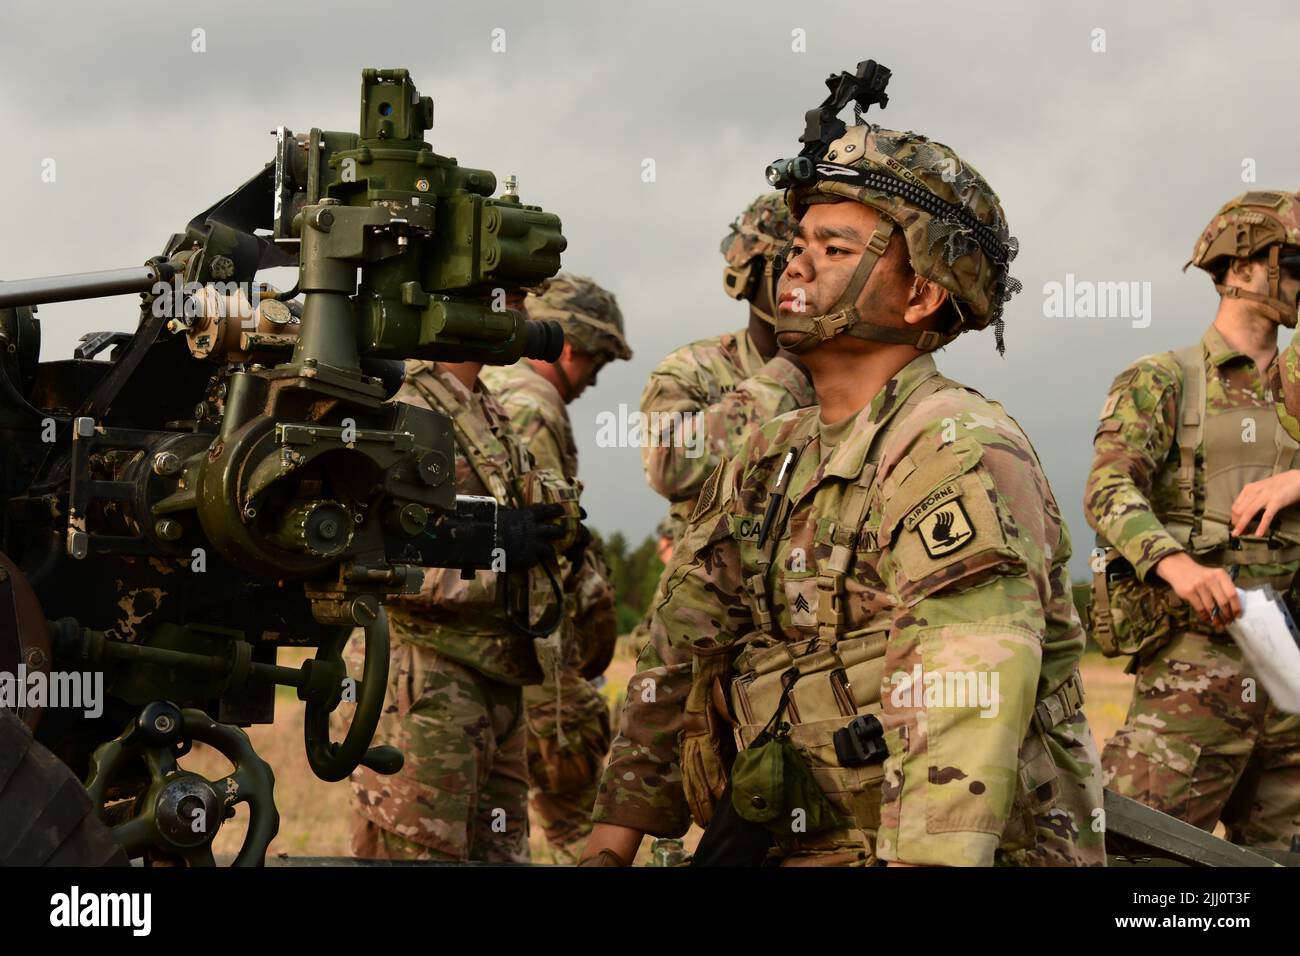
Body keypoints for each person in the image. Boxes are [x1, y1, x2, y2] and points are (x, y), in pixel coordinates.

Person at [584, 118, 1104, 867]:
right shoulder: (765, 455)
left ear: (923, 294)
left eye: (834, 250)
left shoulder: (953, 447)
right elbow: (676, 656)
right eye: (798, 247)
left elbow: (964, 711)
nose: (797, 267)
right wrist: (610, 847)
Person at [1087, 190, 1300, 850]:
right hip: (1197, 672)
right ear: (1237, 271)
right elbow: (1107, 487)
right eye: (1291, 261)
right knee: (1128, 854)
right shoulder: (1164, 379)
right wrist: (1175, 565)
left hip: (1294, 678)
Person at [347, 343, 580, 862]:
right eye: (507, 295)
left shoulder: (485, 403)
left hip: (497, 678)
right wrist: (494, 552)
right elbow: (364, 551)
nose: (517, 311)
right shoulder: (400, 401)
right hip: (424, 683)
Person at [481, 273, 630, 862]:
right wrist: (562, 696)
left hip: (485, 656)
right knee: (578, 832)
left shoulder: (488, 385)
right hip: (530, 655)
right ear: (568, 348)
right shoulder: (534, 403)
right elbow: (543, 553)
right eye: (596, 363)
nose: (591, 382)